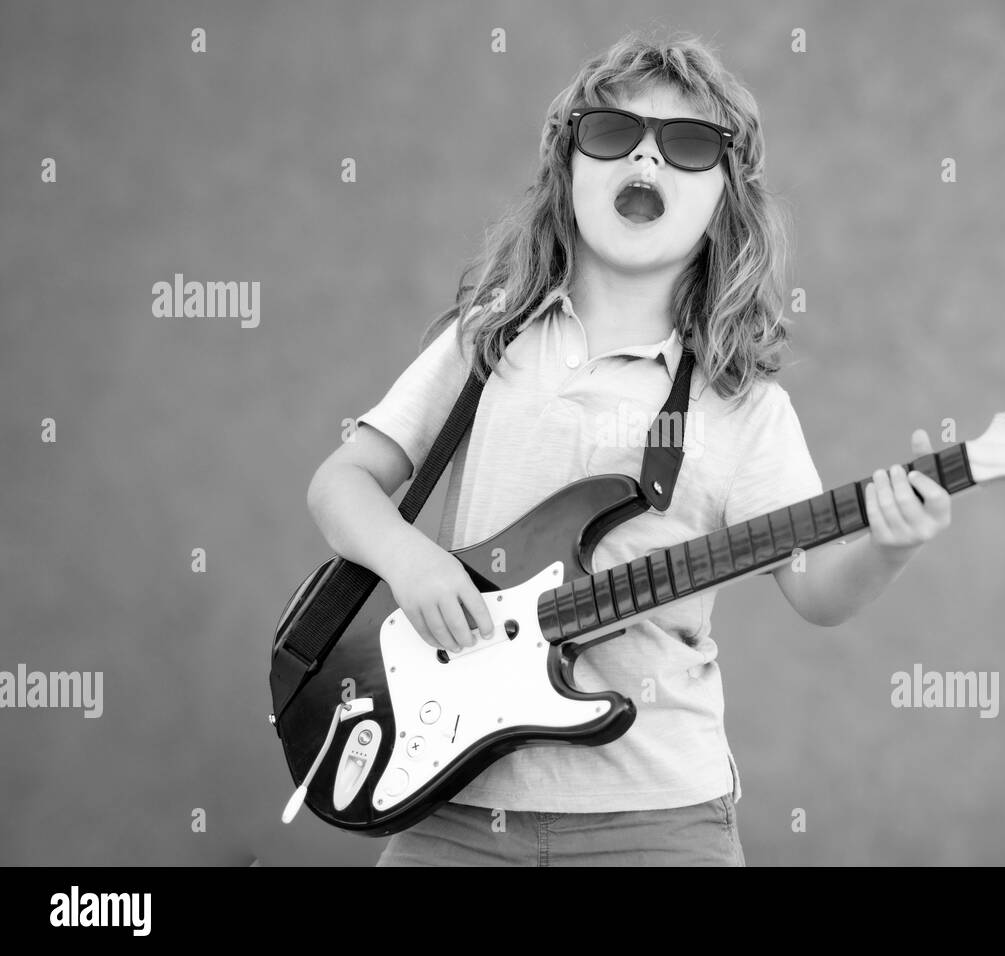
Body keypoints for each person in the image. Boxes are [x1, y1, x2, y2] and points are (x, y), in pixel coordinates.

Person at [306, 30, 952, 866]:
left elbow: (815, 588)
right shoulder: (488, 343)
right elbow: (342, 482)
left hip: (657, 821)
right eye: (612, 134)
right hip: (452, 808)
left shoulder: (743, 405)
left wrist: (887, 546)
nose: (645, 158)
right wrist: (410, 561)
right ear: (567, 167)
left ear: (726, 196)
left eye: (687, 145)